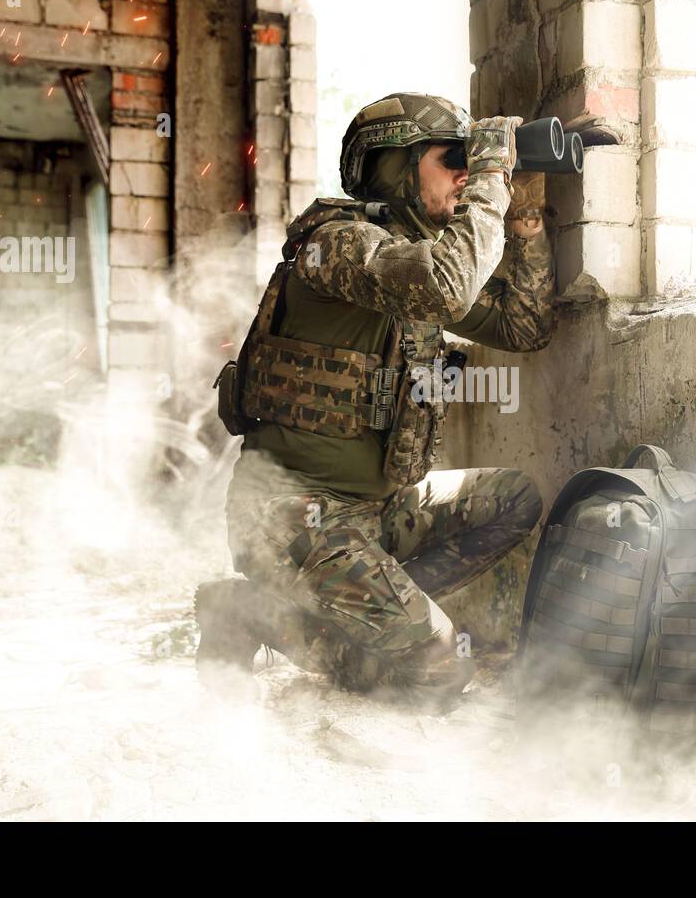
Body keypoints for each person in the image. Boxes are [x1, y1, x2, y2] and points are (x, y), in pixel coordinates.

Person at [197, 92, 555, 705]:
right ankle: (251, 613)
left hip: (378, 511)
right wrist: (494, 172)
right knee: (442, 673)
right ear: (394, 165)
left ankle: (370, 617)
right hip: (293, 520)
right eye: (453, 160)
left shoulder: (416, 263)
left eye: (472, 163)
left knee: (515, 498)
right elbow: (447, 285)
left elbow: (525, 327)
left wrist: (522, 218)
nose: (468, 175)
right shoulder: (338, 246)